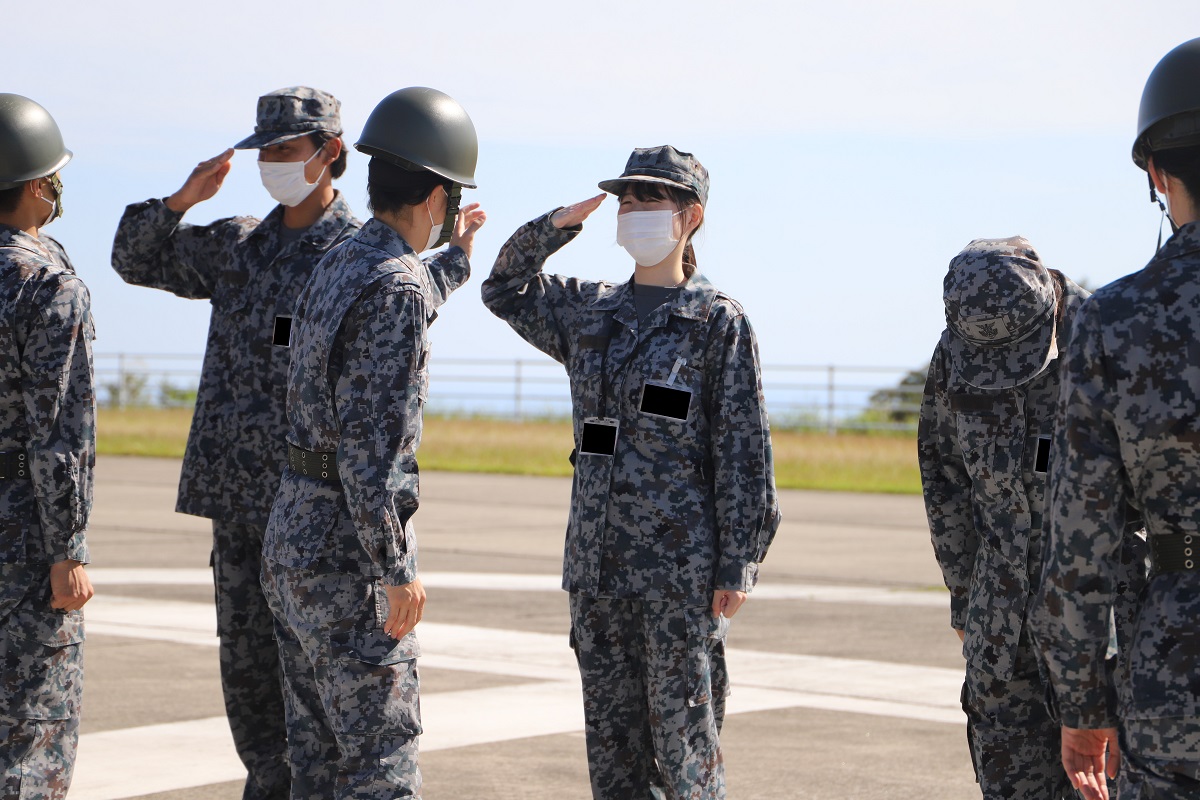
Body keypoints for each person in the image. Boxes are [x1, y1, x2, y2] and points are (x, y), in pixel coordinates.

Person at [482, 145, 780, 800]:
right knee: (613, 758)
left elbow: (745, 455)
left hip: (679, 577)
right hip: (596, 572)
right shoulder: (589, 314)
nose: (633, 210)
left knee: (685, 755)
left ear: (690, 216)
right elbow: (503, 287)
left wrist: (738, 564)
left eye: (651, 199)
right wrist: (556, 225)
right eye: (626, 199)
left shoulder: (716, 324)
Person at [110, 86, 360, 800]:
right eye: (265, 153)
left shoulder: (353, 255)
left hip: (312, 502)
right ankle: (265, 784)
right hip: (237, 499)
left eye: (287, 151)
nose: (272, 164)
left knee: (314, 668)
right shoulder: (235, 246)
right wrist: (183, 198)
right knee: (245, 663)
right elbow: (134, 258)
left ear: (329, 153)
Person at [260, 86, 486, 799]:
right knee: (380, 763)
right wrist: (396, 568)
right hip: (344, 557)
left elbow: (386, 303)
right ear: (436, 198)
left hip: (292, 532)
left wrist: (452, 262)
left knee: (316, 761)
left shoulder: (342, 259)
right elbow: (373, 456)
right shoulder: (395, 287)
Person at [1034, 37, 1200, 800]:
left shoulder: (1111, 320)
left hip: (1178, 671)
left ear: (1158, 176)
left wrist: (1082, 702)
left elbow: (1082, 535)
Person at [917, 237, 1094, 798]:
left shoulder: (1103, 339)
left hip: (1095, 622)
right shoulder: (953, 354)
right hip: (999, 625)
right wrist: (965, 594)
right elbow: (943, 476)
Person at [0, 93, 96, 799]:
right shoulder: (47, 284)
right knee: (31, 736)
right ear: (38, 184)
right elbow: (59, 433)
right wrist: (68, 552)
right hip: (22, 537)